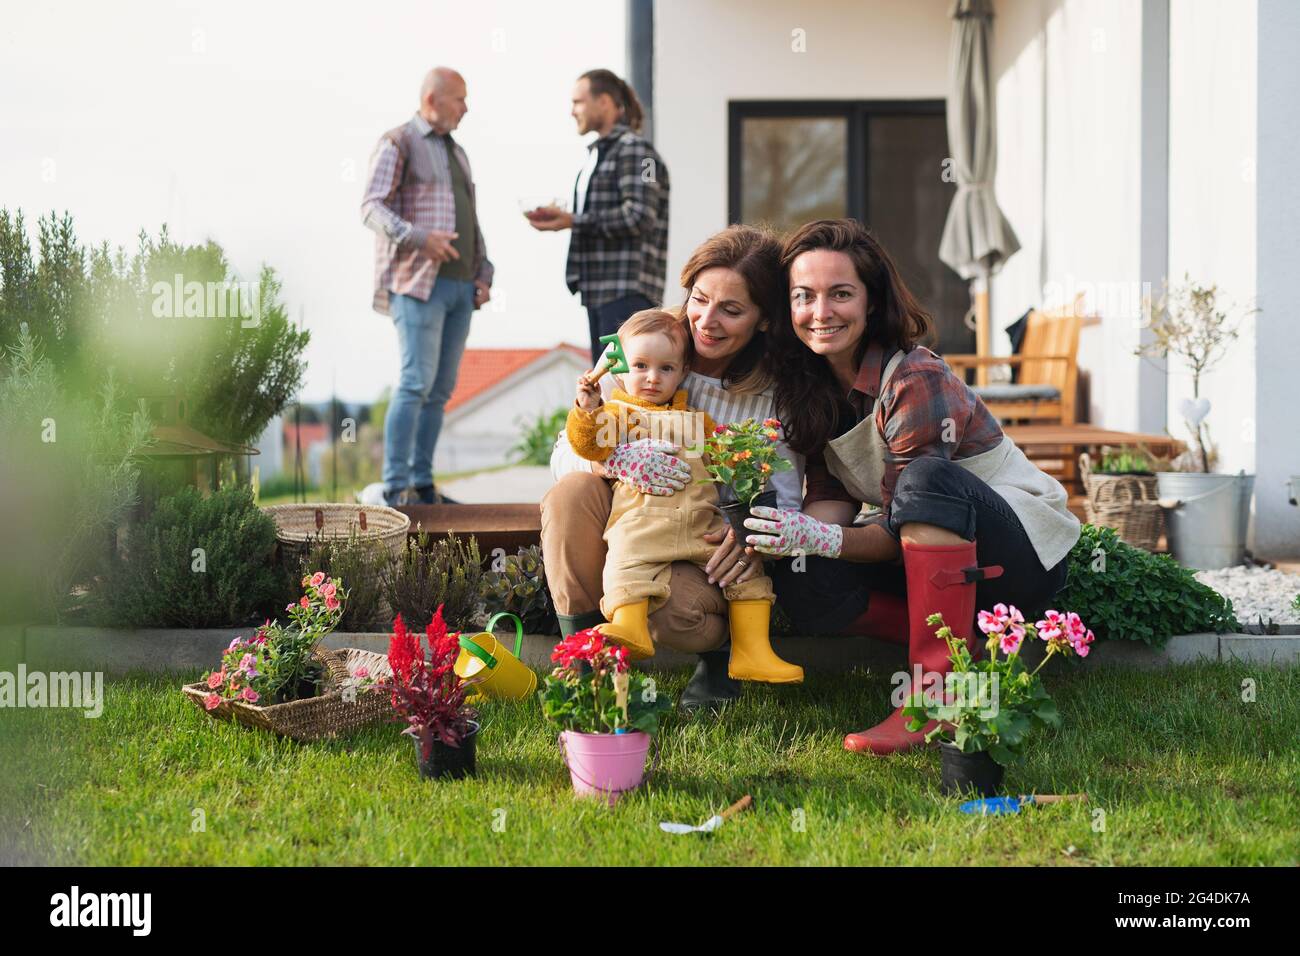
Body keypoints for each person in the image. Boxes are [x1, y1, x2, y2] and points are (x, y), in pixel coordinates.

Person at [745, 219, 1080, 755]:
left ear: (872, 302)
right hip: (932, 557)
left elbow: (908, 511)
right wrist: (801, 538)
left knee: (924, 480)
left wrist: (829, 540)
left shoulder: (914, 379)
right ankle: (973, 648)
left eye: (841, 294)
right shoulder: (815, 387)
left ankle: (936, 694)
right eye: (803, 296)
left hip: (1017, 554)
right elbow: (832, 495)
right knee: (805, 579)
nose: (821, 312)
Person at [542, 225, 801, 711]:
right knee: (569, 494)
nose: (705, 321)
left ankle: (724, 655)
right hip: (631, 522)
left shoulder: (771, 394)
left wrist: (752, 538)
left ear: (764, 320)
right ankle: (586, 665)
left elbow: (785, 496)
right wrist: (616, 460)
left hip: (702, 543)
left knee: (673, 613)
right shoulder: (645, 345)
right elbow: (564, 453)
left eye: (732, 309)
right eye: (700, 299)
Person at [361, 66, 493, 507]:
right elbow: (371, 208)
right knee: (415, 383)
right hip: (417, 284)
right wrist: (420, 238)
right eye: (460, 98)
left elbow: (469, 219)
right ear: (433, 99)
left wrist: (484, 271)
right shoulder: (398, 142)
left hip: (460, 289)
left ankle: (422, 484)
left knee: (439, 391)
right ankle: (395, 486)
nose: (467, 107)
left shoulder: (458, 153)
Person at [525, 69, 669, 364]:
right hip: (603, 292)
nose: (571, 111)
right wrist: (568, 218)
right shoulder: (600, 156)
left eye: (578, 101)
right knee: (610, 390)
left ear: (604, 102)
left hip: (627, 293)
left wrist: (573, 220)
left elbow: (641, 215)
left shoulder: (640, 153)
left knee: (623, 387)